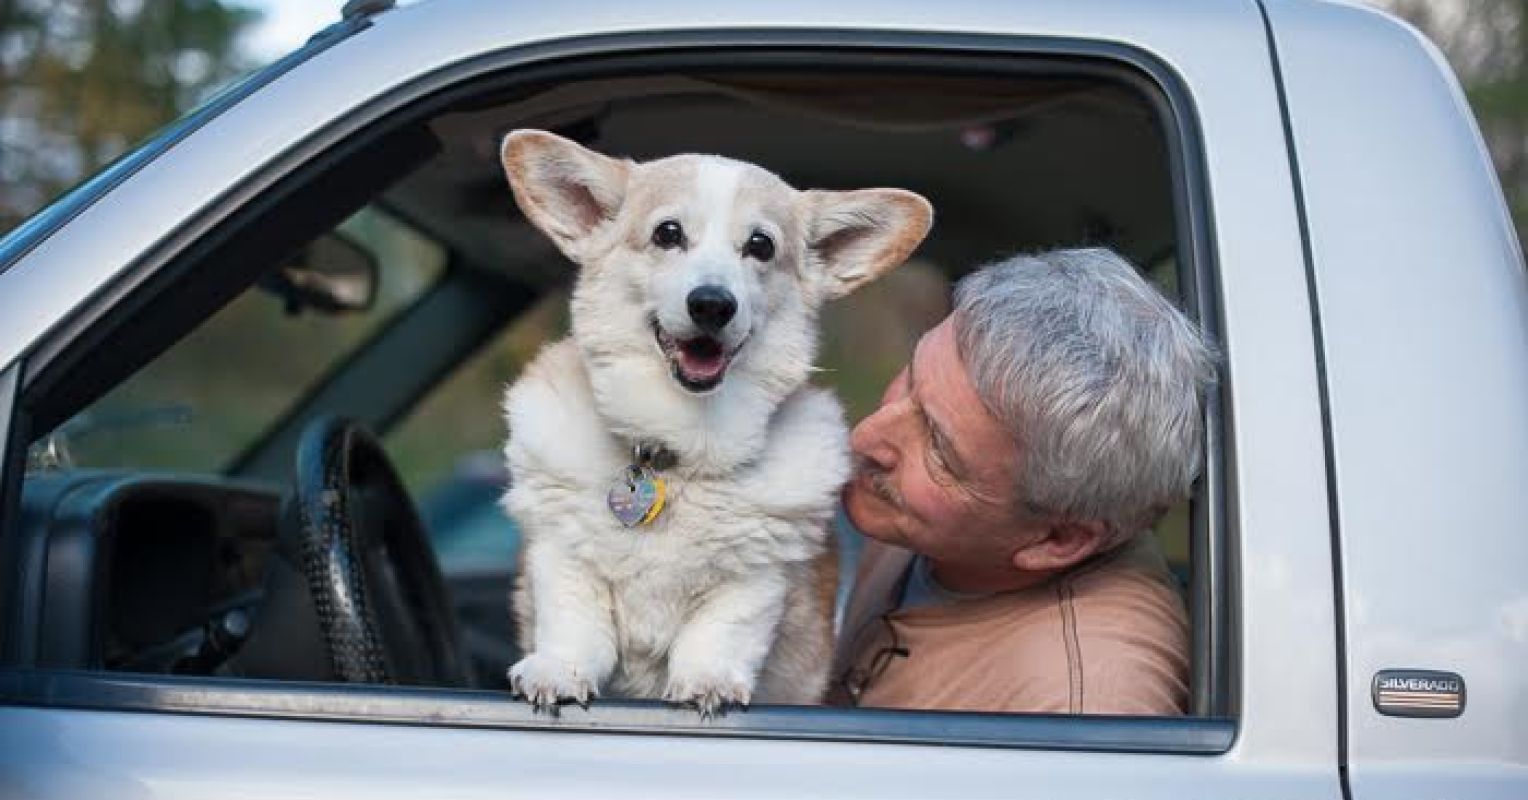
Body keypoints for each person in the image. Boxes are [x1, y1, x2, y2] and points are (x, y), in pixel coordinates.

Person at [829, 248, 1216, 715]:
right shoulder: (936, 516)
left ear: (1058, 540)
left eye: (939, 449)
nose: (865, 436)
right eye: (911, 376)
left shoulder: (1080, 708)